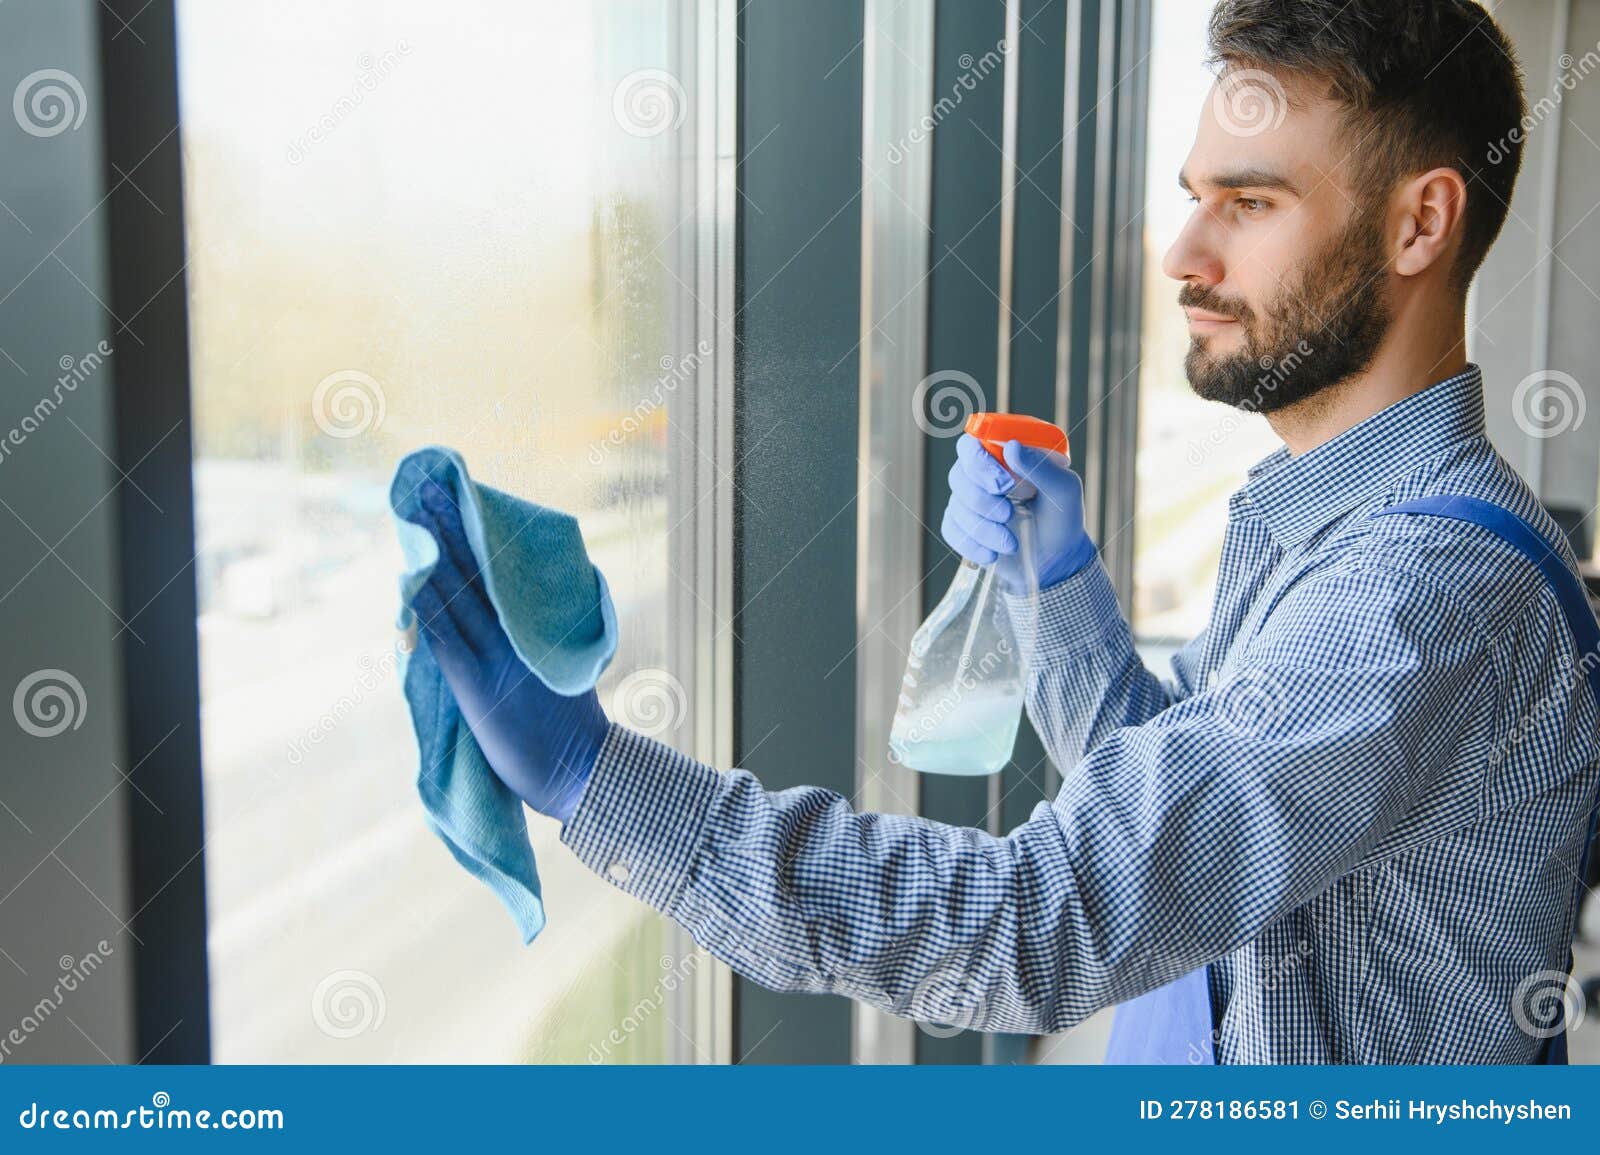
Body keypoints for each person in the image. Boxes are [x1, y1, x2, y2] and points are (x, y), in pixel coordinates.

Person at [410, 0, 1599, 1063]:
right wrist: (1058, 582)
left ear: (1418, 224)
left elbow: (1043, 922)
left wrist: (600, 779)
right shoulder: (1331, 529)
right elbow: (1179, 822)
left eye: (1249, 202)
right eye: (1193, 201)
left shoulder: (1424, 589)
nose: (1184, 256)